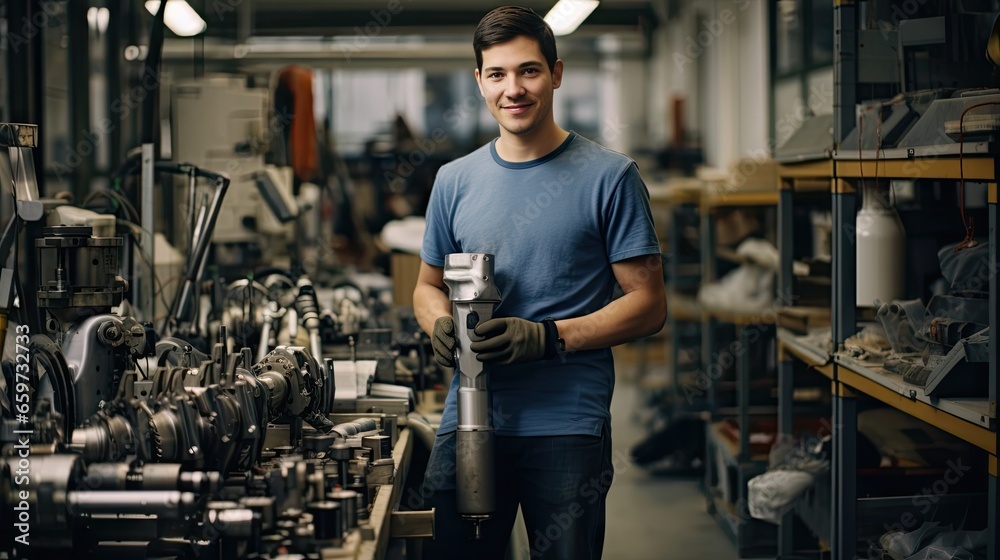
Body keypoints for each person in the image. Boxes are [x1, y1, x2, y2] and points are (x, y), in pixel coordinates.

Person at [412, 6, 667, 559]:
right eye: (498, 74)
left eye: (528, 71)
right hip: (471, 413)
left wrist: (549, 337)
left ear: (556, 72)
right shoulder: (453, 181)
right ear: (479, 81)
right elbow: (426, 284)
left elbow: (648, 306)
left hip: (566, 422)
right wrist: (437, 320)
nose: (514, 89)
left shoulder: (610, 177)